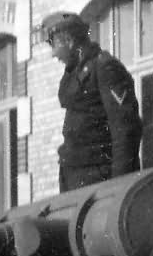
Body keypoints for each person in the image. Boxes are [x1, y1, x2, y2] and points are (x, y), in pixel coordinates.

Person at [42, 11, 143, 192]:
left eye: (54, 44)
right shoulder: (75, 73)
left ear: (68, 40)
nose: (53, 54)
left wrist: (119, 186)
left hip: (100, 179)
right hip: (75, 177)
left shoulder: (105, 67)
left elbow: (125, 128)